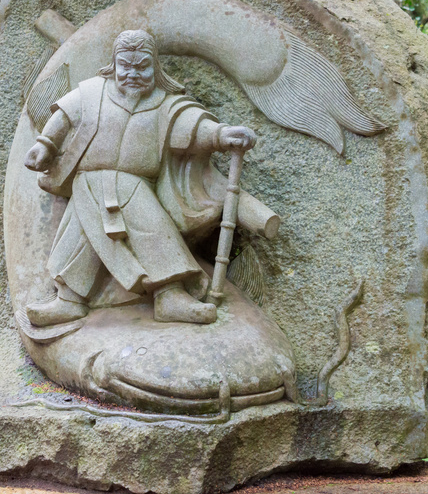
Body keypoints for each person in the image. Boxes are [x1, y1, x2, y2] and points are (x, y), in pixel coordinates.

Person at [24, 29, 256, 326]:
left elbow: (192, 127)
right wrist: (45, 145)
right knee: (80, 240)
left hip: (137, 187)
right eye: (126, 65)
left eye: (142, 66)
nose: (133, 73)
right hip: (87, 184)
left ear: (155, 67)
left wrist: (222, 135)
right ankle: (69, 300)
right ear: (114, 64)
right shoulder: (92, 92)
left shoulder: (165, 104)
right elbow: (64, 117)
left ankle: (170, 295)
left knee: (155, 232)